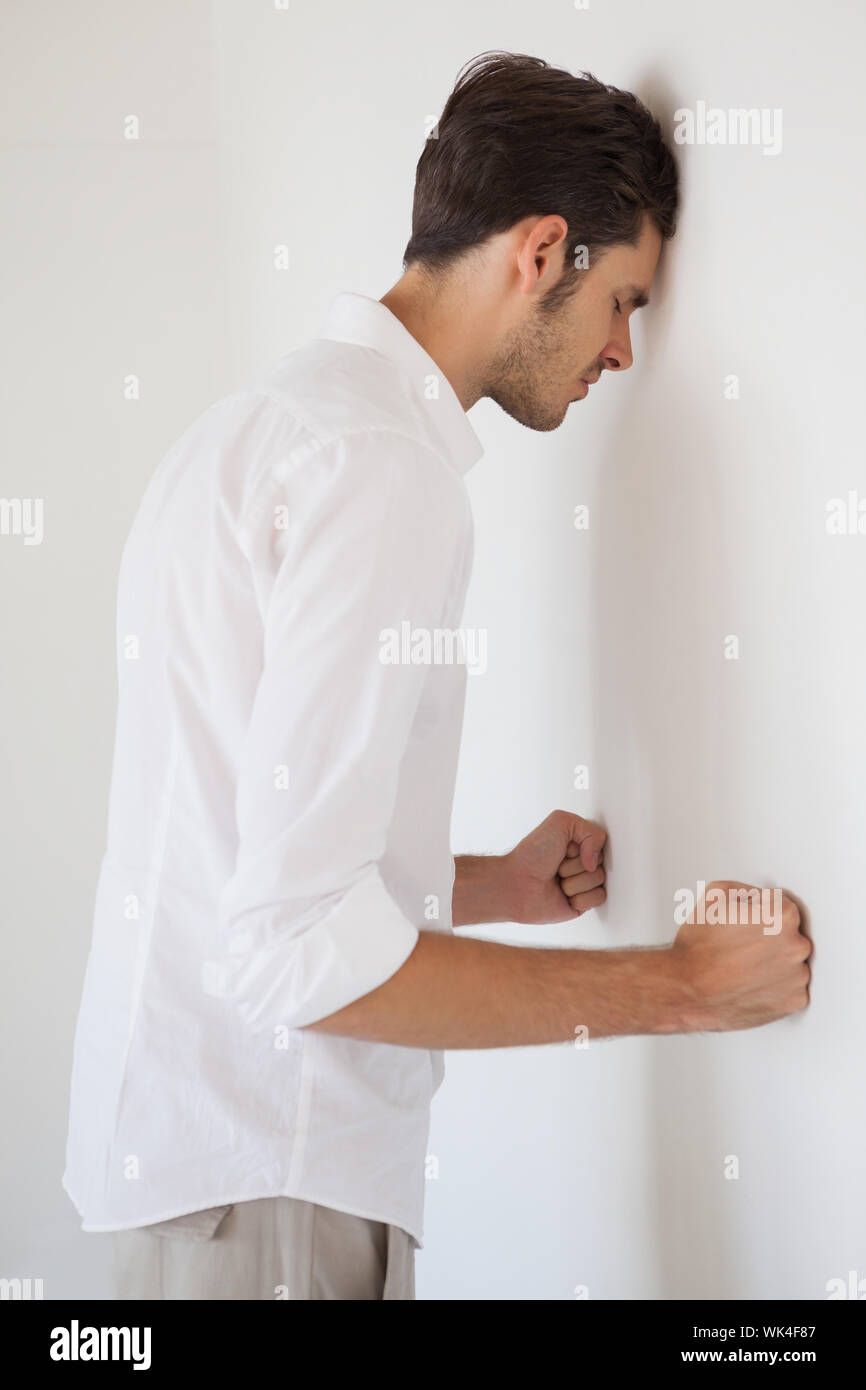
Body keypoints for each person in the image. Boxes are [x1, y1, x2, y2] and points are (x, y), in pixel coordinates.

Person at [62, 51, 812, 1301]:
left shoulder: (253, 432)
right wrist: (680, 988)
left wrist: (486, 884)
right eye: (621, 299)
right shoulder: (379, 470)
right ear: (540, 251)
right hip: (272, 1193)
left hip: (194, 1183)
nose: (622, 352)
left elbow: (233, 845)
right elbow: (292, 945)